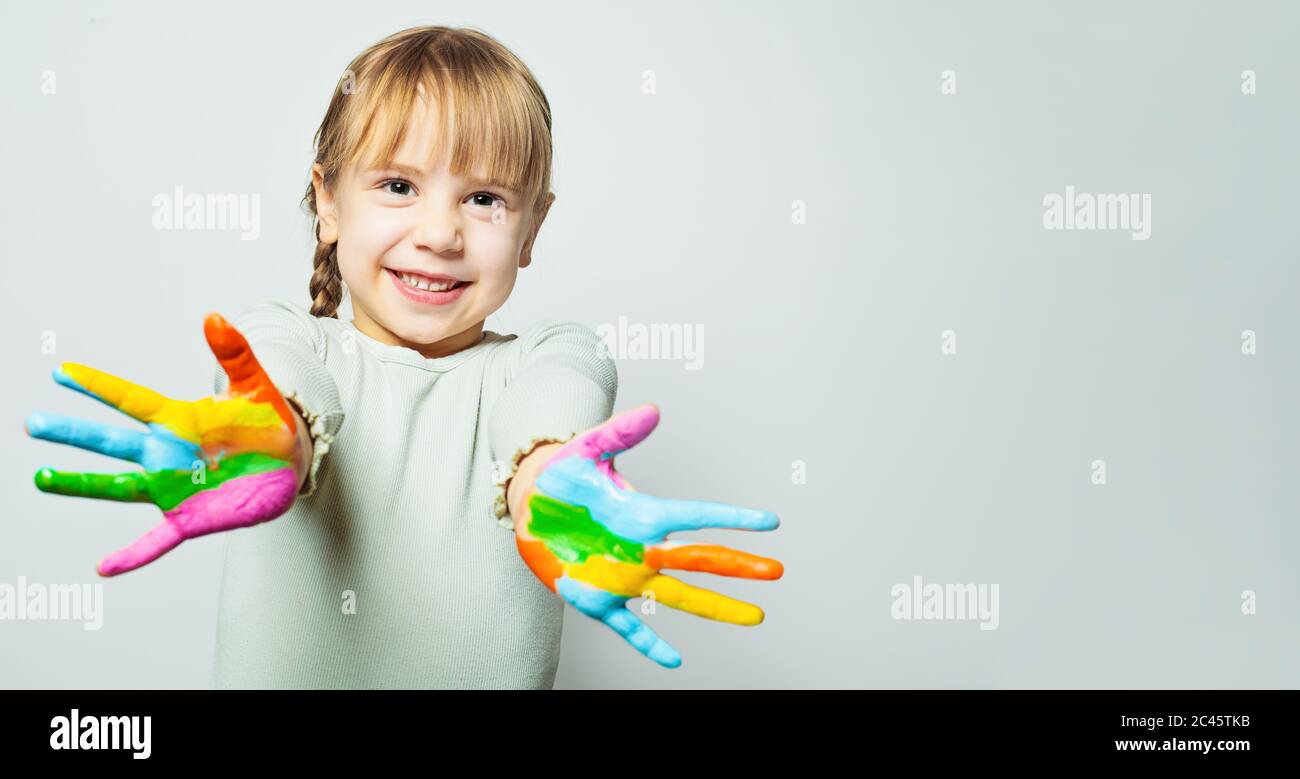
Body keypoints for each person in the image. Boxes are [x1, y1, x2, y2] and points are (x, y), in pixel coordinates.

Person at [25, 25, 782, 689]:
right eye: (397, 186)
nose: (441, 232)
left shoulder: (548, 355)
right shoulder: (285, 336)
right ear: (327, 201)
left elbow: (555, 409)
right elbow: (283, 383)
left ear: (533, 227)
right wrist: (269, 438)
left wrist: (552, 487)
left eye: (485, 199)